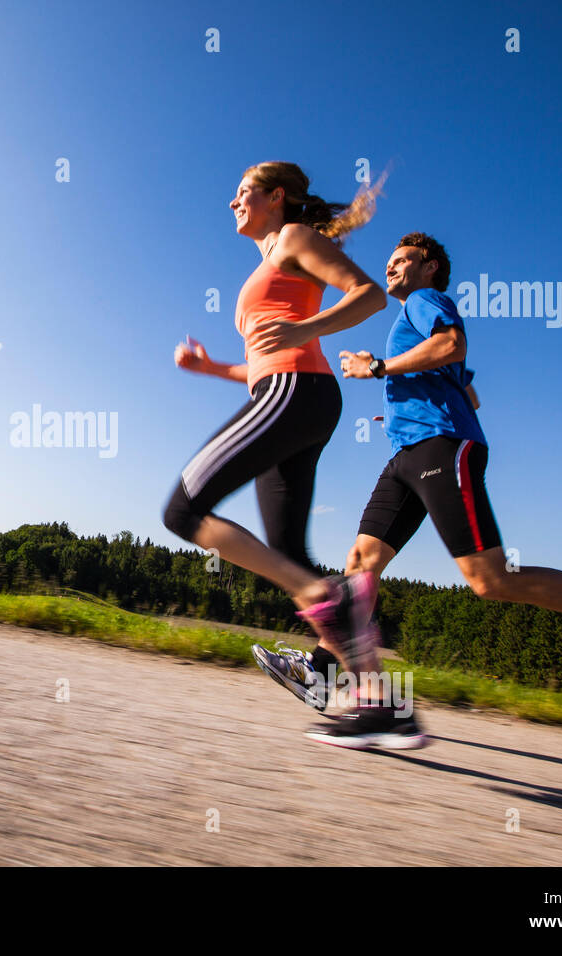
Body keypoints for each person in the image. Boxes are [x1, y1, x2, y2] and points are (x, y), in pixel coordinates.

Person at [287, 231, 562, 749]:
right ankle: (335, 680)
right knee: (362, 562)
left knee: (489, 579)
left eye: (406, 260)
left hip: (441, 450)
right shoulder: (411, 316)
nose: (393, 266)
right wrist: (402, 401)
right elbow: (468, 389)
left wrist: (378, 367)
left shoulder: (426, 302)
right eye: (391, 260)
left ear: (431, 268)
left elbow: (450, 346)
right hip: (409, 452)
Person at [162, 161, 386, 688]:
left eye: (244, 192)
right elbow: (261, 359)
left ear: (276, 196)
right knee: (288, 554)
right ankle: (380, 703)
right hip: (288, 394)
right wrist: (211, 366)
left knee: (183, 510)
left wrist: (304, 329)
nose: (233, 202)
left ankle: (326, 597)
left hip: (296, 391)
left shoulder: (293, 238)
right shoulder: (268, 262)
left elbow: (368, 295)